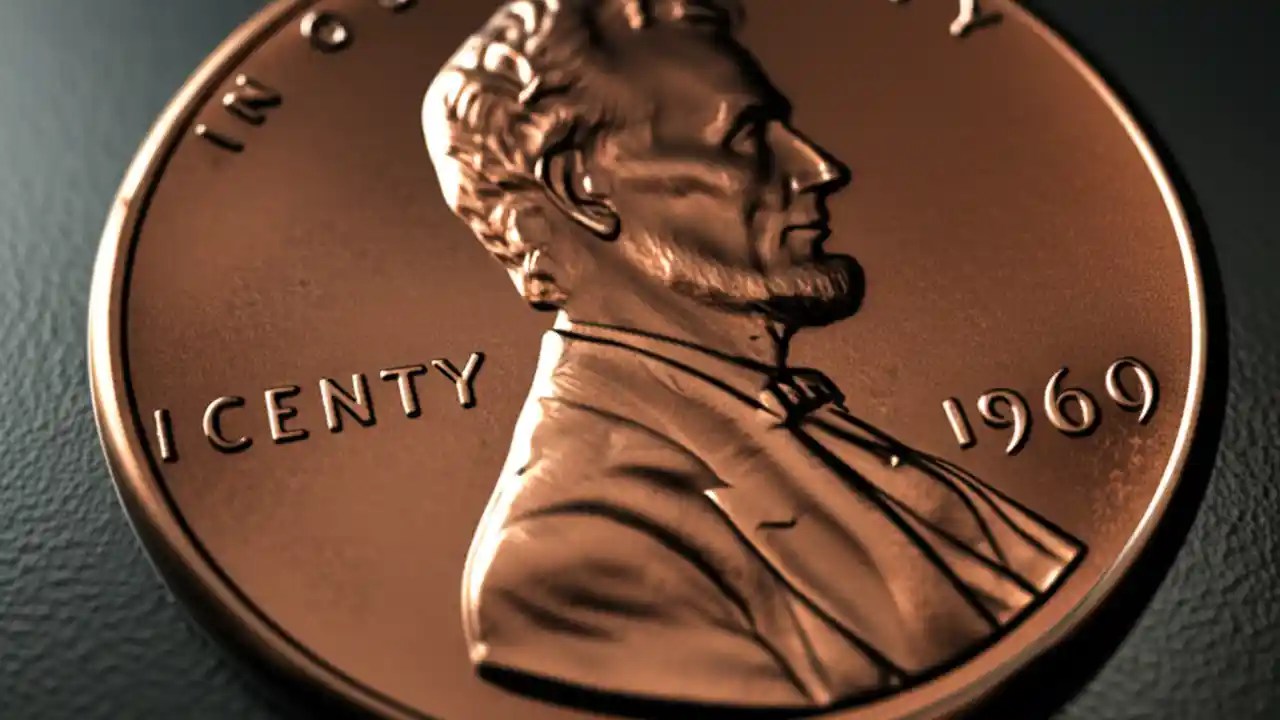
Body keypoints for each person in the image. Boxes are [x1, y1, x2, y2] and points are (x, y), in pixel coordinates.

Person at [422, 0, 1080, 710]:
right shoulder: (575, 555)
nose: (822, 168)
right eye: (744, 137)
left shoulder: (798, 420)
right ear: (581, 187)